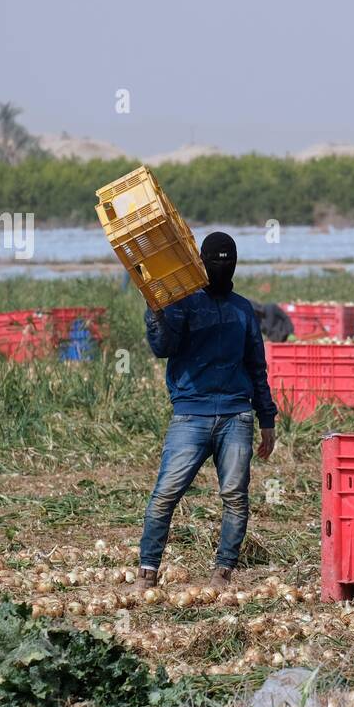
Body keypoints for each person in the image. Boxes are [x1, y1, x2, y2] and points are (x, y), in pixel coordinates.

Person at [138, 232, 278, 593]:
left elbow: (256, 365)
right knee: (165, 495)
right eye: (215, 260)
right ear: (199, 262)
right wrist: (156, 313)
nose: (221, 267)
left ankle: (222, 574)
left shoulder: (242, 309)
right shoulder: (183, 303)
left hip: (236, 416)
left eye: (227, 260)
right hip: (191, 415)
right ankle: (146, 573)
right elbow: (162, 347)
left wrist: (267, 419)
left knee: (235, 497)